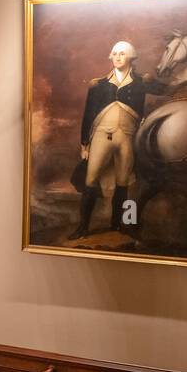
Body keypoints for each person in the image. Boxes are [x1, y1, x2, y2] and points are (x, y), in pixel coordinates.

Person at [70, 41, 161, 240]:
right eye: (115, 54)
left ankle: (117, 224)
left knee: (123, 182)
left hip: (127, 138)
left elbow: (164, 88)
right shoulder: (99, 84)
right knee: (91, 181)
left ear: (131, 57)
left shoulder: (141, 82)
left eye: (122, 53)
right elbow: (87, 115)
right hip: (102, 136)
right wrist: (84, 143)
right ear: (110, 57)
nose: (118, 57)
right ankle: (82, 227)